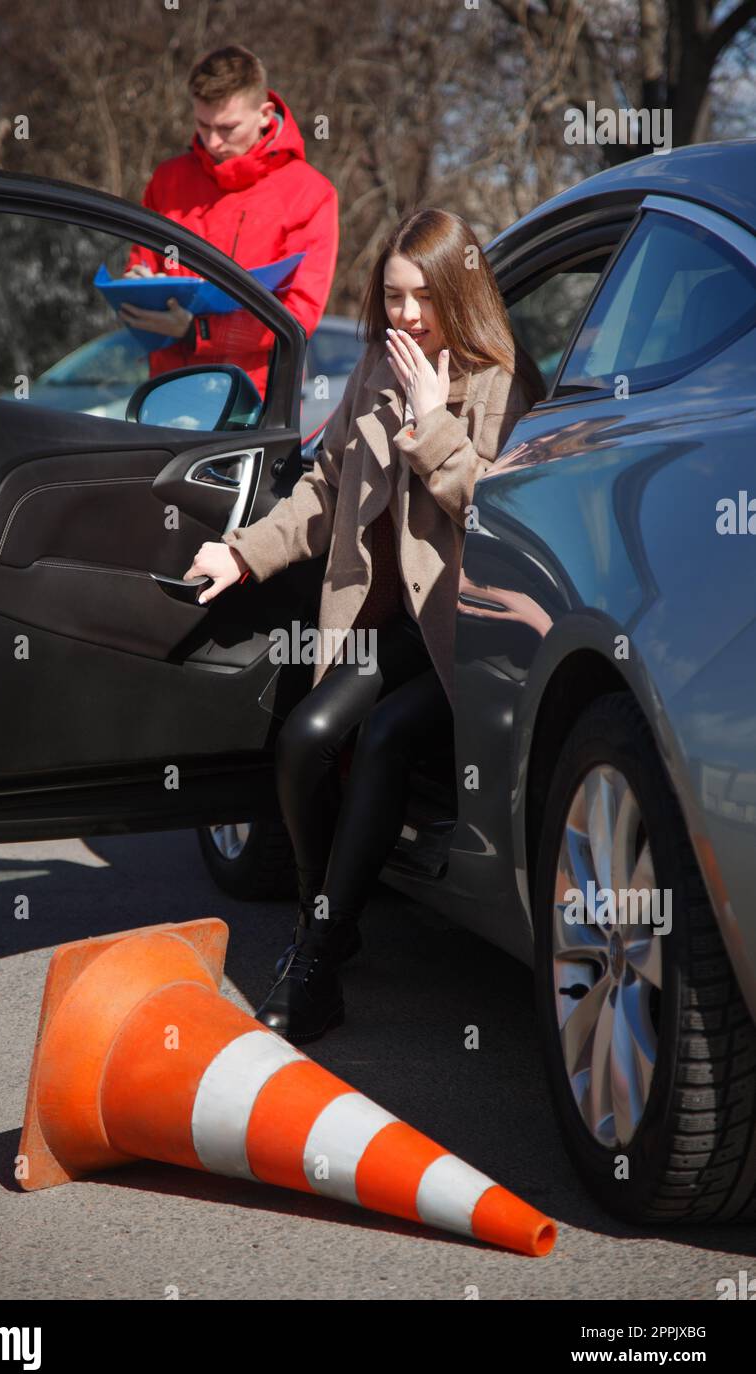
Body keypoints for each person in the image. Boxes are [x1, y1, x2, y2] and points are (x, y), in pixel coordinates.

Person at [183, 207, 545, 1044]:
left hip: (473, 638)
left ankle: (313, 964)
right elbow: (321, 487)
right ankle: (330, 919)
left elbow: (501, 513)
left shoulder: (502, 382)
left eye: (423, 297)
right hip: (395, 627)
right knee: (306, 736)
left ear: (459, 292)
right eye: (393, 297)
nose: (407, 316)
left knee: (383, 738)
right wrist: (245, 554)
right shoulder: (376, 373)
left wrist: (431, 426)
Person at [119, 44, 338, 399]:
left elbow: (298, 316)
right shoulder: (168, 179)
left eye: (228, 128)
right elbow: (141, 261)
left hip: (254, 400)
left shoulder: (311, 193)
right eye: (202, 126)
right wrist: (135, 285)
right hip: (168, 394)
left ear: (265, 113)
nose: (214, 141)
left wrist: (198, 331)